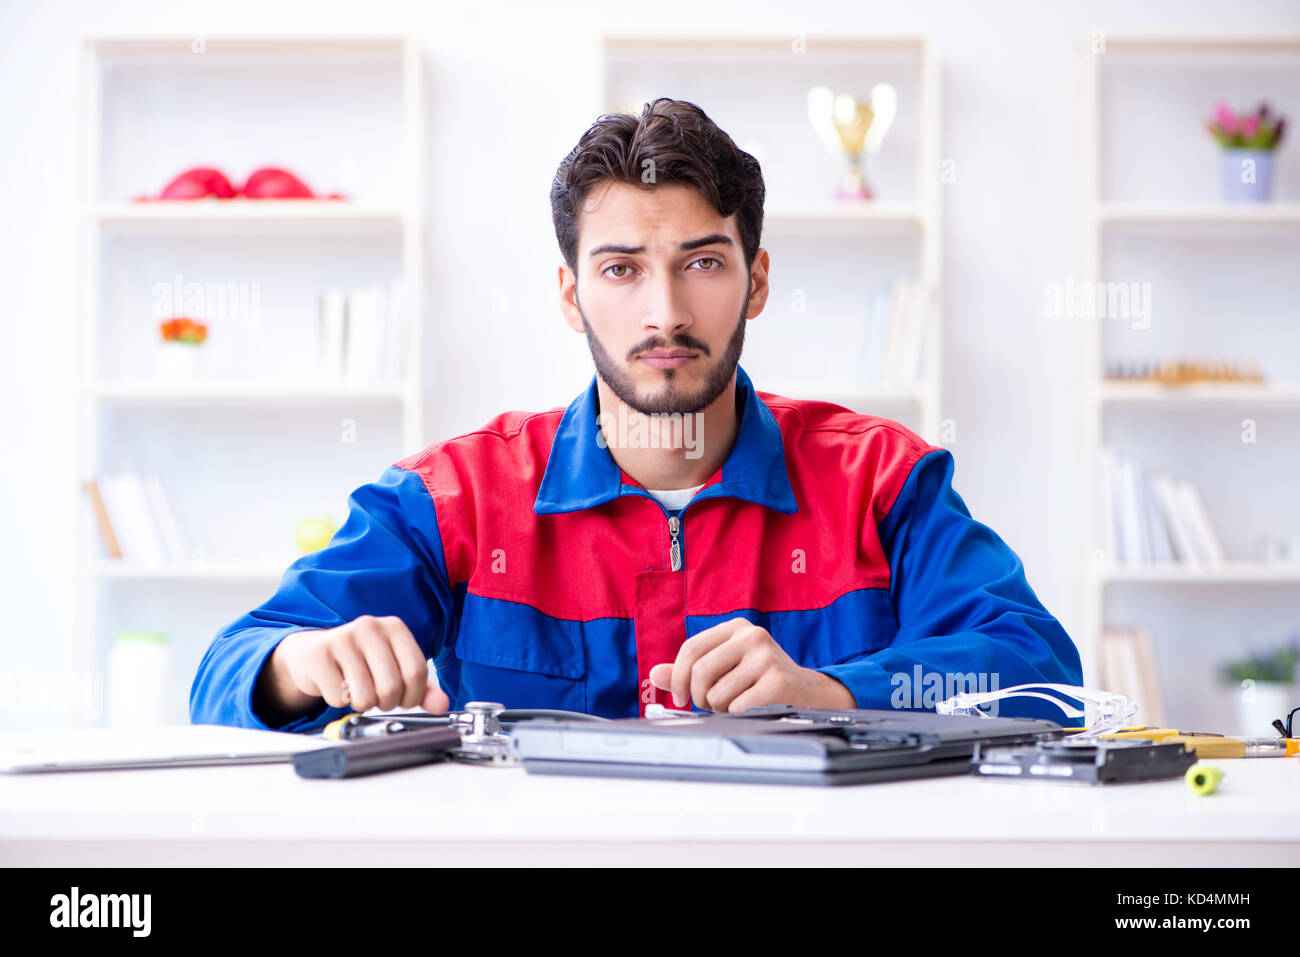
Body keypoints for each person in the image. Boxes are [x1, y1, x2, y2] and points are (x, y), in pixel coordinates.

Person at [190, 98, 1082, 733]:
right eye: (621, 269)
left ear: (756, 281)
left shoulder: (881, 482)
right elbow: (226, 669)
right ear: (573, 296)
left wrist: (832, 692)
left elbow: (1042, 671)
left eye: (701, 262)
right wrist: (301, 666)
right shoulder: (451, 499)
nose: (665, 312)